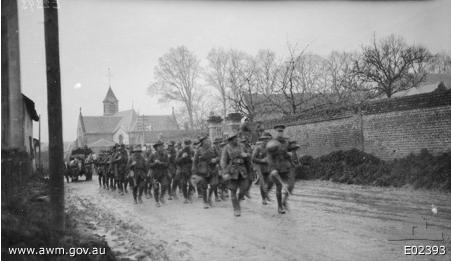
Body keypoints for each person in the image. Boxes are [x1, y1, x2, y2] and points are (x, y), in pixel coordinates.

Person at [266, 124, 295, 214]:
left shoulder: (286, 142)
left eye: (281, 131)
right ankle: (280, 207)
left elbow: (288, 152)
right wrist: (273, 169)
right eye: (279, 131)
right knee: (279, 187)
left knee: (291, 185)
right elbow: (269, 157)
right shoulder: (272, 143)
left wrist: (290, 154)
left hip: (286, 166)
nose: (280, 133)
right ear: (275, 132)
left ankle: (284, 201)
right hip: (277, 167)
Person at [220, 133, 251, 217]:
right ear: (230, 140)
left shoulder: (242, 146)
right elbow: (223, 162)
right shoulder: (226, 148)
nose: (236, 139)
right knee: (233, 191)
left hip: (242, 170)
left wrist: (246, 155)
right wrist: (225, 172)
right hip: (232, 171)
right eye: (234, 138)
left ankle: (238, 200)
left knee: (244, 188)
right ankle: (236, 208)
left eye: (236, 138)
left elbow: (249, 156)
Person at [192, 135, 219, 209]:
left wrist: (215, 160)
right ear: (203, 142)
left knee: (214, 184)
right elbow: (195, 161)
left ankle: (209, 198)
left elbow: (219, 156)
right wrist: (194, 173)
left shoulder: (213, 148)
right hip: (202, 170)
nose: (209, 141)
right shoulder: (199, 150)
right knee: (204, 186)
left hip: (212, 169)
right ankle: (205, 202)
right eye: (207, 140)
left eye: (209, 140)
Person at [252, 131, 273, 205]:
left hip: (269, 168)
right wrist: (262, 160)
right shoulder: (258, 148)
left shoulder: (270, 149)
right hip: (261, 169)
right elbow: (253, 158)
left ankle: (266, 193)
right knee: (263, 184)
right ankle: (263, 199)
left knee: (271, 182)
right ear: (262, 140)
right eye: (264, 140)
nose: (266, 141)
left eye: (267, 140)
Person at [148, 140, 169, 207]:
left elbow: (167, 164)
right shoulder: (152, 155)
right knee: (156, 188)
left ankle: (162, 196)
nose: (161, 148)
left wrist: (161, 163)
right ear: (156, 148)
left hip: (163, 173)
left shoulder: (165, 155)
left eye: (162, 146)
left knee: (165, 185)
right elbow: (148, 164)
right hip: (154, 174)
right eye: (159, 146)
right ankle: (157, 202)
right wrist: (155, 163)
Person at [176, 139, 195, 203]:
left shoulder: (193, 152)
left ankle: (189, 195)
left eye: (188, 144)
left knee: (192, 184)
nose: (187, 146)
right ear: (184, 144)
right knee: (183, 184)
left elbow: (197, 161)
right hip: (183, 171)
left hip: (191, 170)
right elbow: (176, 161)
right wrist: (182, 157)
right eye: (186, 144)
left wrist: (193, 160)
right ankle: (185, 197)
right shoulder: (181, 152)